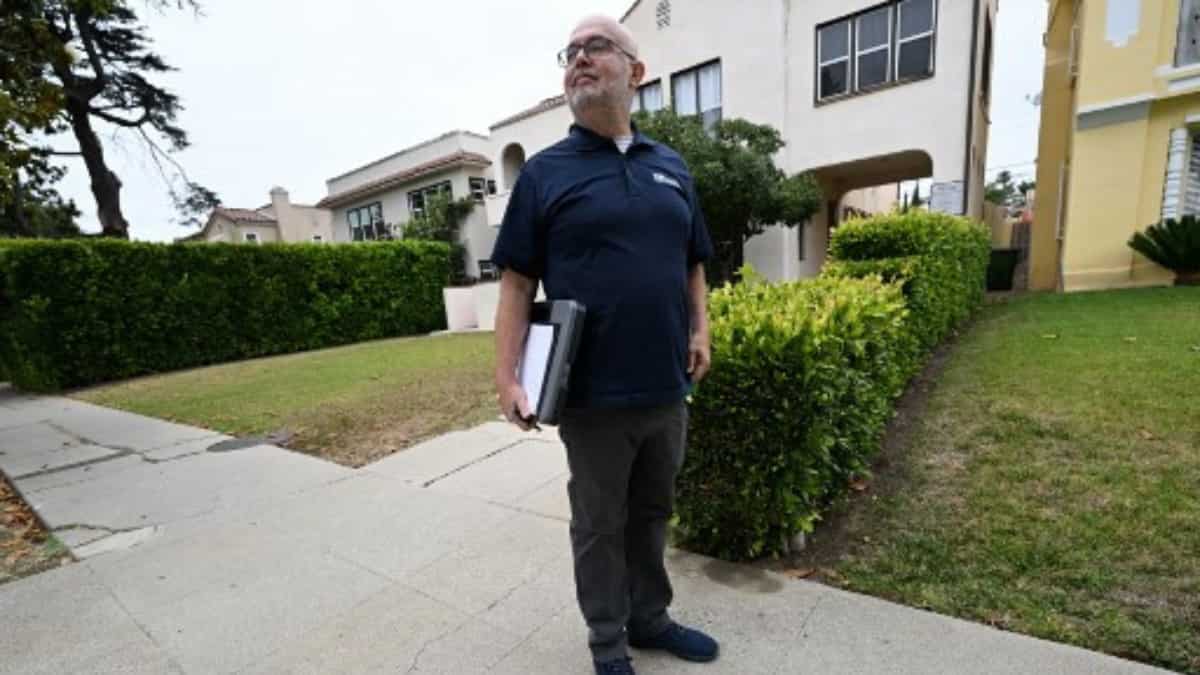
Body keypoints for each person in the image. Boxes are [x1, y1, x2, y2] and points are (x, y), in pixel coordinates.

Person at [489, 13, 719, 675]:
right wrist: (507, 376)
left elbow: (692, 260)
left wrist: (701, 327)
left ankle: (651, 618)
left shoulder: (671, 166)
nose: (580, 59)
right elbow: (515, 281)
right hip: (590, 396)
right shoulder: (544, 173)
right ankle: (607, 640)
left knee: (652, 510)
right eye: (570, 52)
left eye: (597, 46)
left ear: (636, 72)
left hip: (666, 386)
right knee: (598, 524)